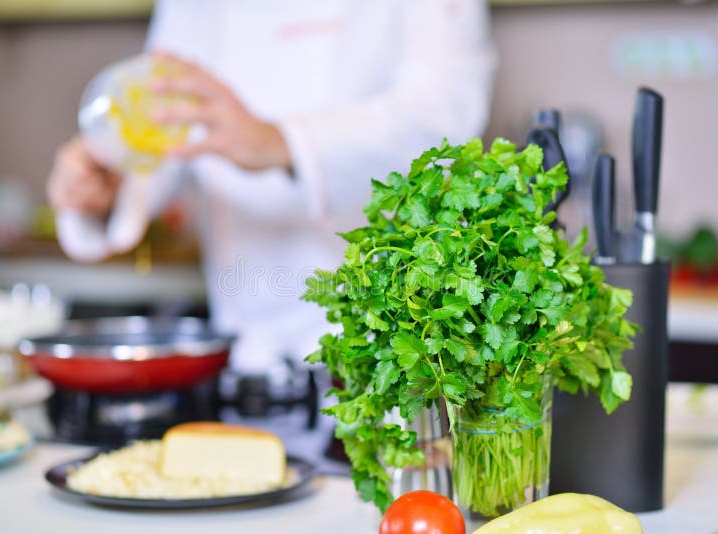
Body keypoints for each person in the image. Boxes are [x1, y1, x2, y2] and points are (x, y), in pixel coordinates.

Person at [48, 0, 496, 373]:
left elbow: (442, 118)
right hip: (245, 354)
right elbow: (166, 131)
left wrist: (280, 141)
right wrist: (108, 180)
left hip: (393, 358)